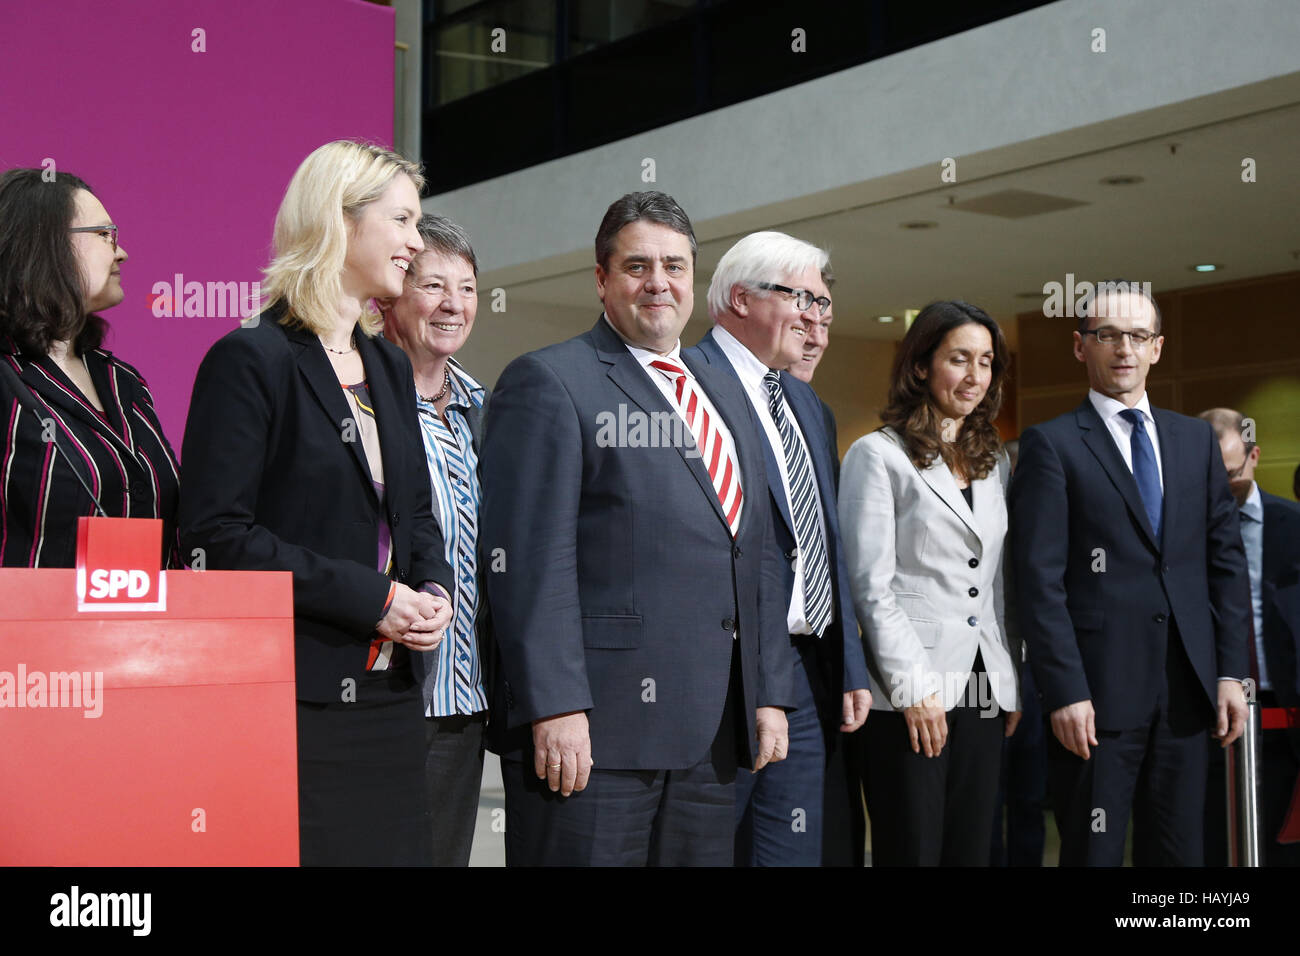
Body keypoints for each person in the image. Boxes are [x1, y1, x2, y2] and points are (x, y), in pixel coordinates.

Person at [480, 190, 791, 866]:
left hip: (712, 737)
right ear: (601, 279)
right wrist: (555, 706)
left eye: (674, 266)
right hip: (596, 737)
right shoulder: (549, 381)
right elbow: (529, 563)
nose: (659, 283)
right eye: (637, 266)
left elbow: (759, 552)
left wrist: (768, 693)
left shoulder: (725, 389)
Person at [179, 141, 454, 866]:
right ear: (340, 218)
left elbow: (415, 515)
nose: (416, 242)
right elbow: (215, 538)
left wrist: (431, 589)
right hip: (292, 703)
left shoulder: (388, 364)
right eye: (401, 220)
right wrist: (373, 598)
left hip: (393, 698)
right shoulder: (251, 357)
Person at [1008, 282, 1250, 866]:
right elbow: (1039, 581)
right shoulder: (1051, 444)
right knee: (1094, 852)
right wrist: (1065, 690)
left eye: (1138, 336)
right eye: (1108, 335)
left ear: (1157, 348)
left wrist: (1231, 673)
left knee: (1180, 857)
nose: (1124, 349)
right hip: (1095, 701)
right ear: (1080, 346)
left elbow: (1225, 563)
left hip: (1188, 694)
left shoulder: (1194, 440)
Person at [684, 231, 870, 866]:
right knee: (711, 851)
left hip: (806, 673)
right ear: (741, 298)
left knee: (790, 854)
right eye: (802, 299)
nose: (815, 318)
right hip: (723, 674)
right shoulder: (685, 385)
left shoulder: (805, 402)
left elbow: (825, 540)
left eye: (823, 304)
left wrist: (848, 663)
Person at [840, 300, 1021, 866]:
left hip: (984, 684)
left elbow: (994, 581)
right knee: (913, 850)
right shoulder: (877, 455)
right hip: (911, 688)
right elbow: (870, 588)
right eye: (959, 359)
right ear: (921, 365)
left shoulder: (993, 460)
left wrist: (1008, 677)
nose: (974, 376)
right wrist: (913, 689)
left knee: (972, 850)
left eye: (986, 362)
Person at [377, 214, 490, 866]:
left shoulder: (486, 410)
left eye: (467, 288)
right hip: (379, 695)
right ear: (392, 293)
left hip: (463, 704)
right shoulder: (356, 403)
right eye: (434, 286)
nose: (454, 304)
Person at [0, 169, 180, 568]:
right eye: (104, 235)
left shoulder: (124, 380)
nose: (122, 252)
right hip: (27, 610)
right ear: (43, 245)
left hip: (146, 610)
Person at [1198, 407, 1300, 866]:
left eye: (1229, 474)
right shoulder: (1179, 532)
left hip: (1283, 707)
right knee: (1216, 843)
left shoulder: (1292, 524)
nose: (1219, 487)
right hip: (1210, 709)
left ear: (1254, 456)